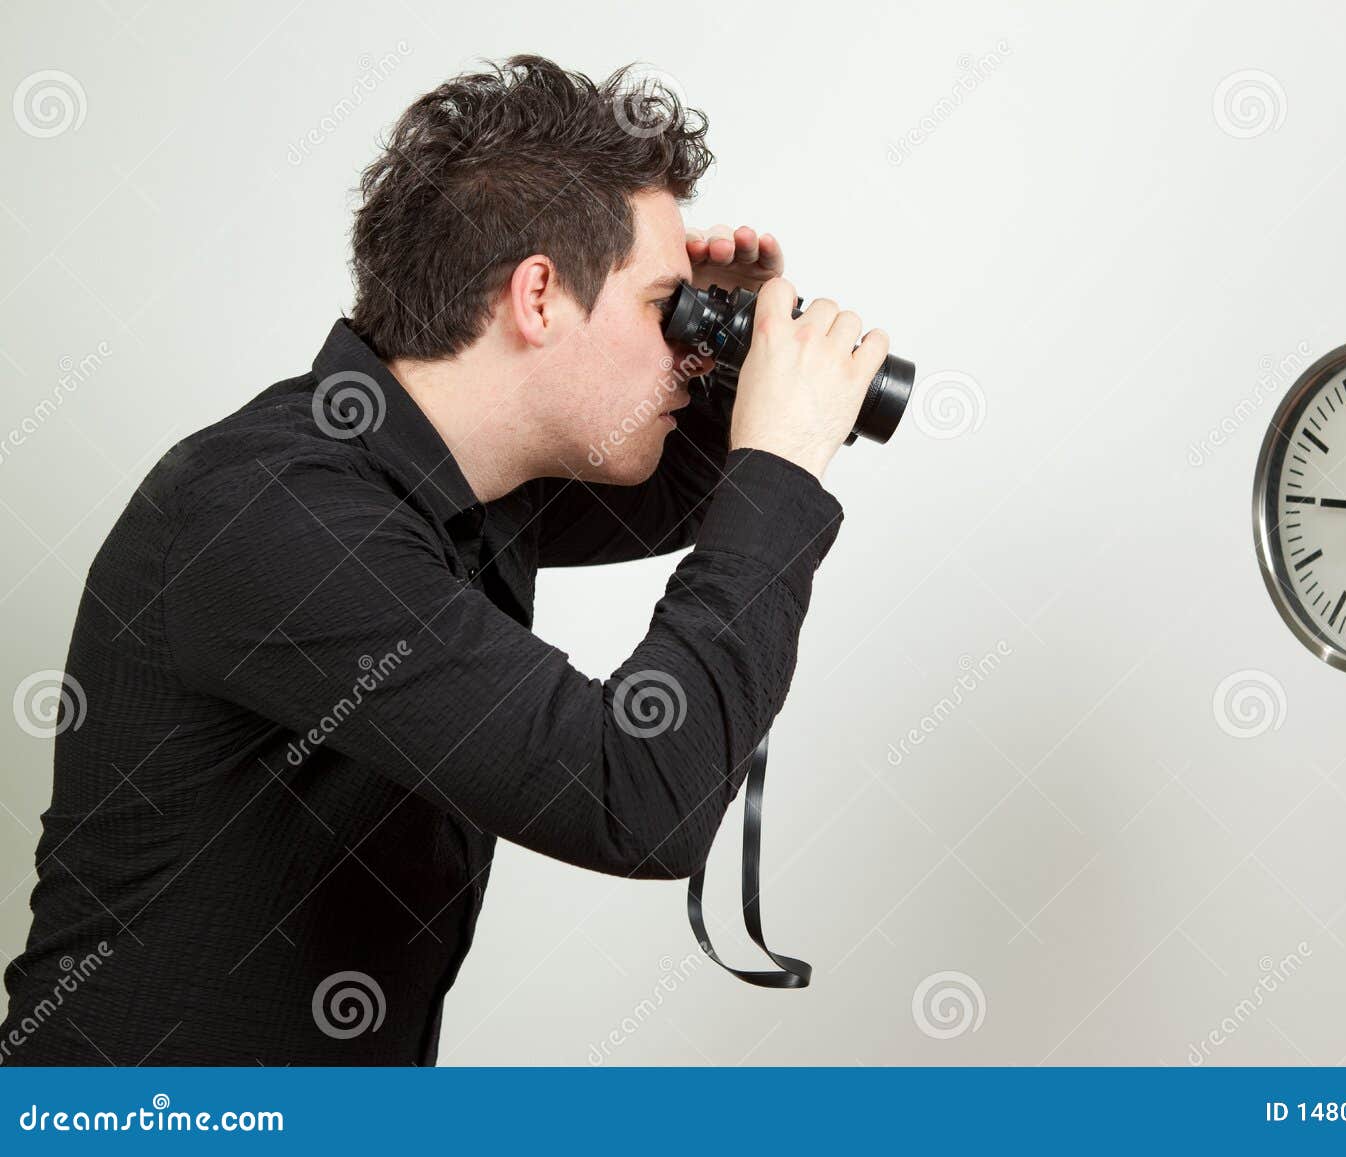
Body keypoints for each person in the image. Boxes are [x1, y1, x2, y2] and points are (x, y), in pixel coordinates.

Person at [0, 54, 889, 1065]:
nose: (681, 345)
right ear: (538, 295)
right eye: (663, 309)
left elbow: (679, 493)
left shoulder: (458, 483)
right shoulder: (271, 511)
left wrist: (729, 363)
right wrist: (779, 460)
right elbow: (642, 794)